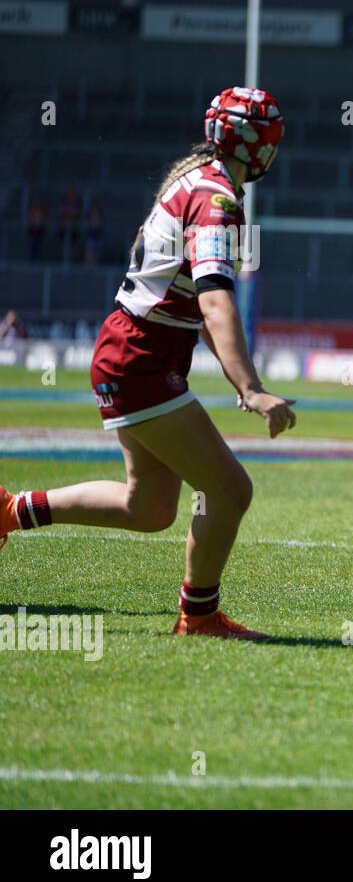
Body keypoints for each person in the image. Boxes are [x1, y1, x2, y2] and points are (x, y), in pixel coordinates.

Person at [0, 87, 297, 638]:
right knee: (230, 490)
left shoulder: (194, 182)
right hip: (139, 357)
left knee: (150, 508)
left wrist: (238, 375)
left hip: (131, 349)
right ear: (255, 144)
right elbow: (212, 298)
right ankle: (200, 615)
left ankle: (11, 511)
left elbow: (193, 305)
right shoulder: (218, 201)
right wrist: (252, 388)